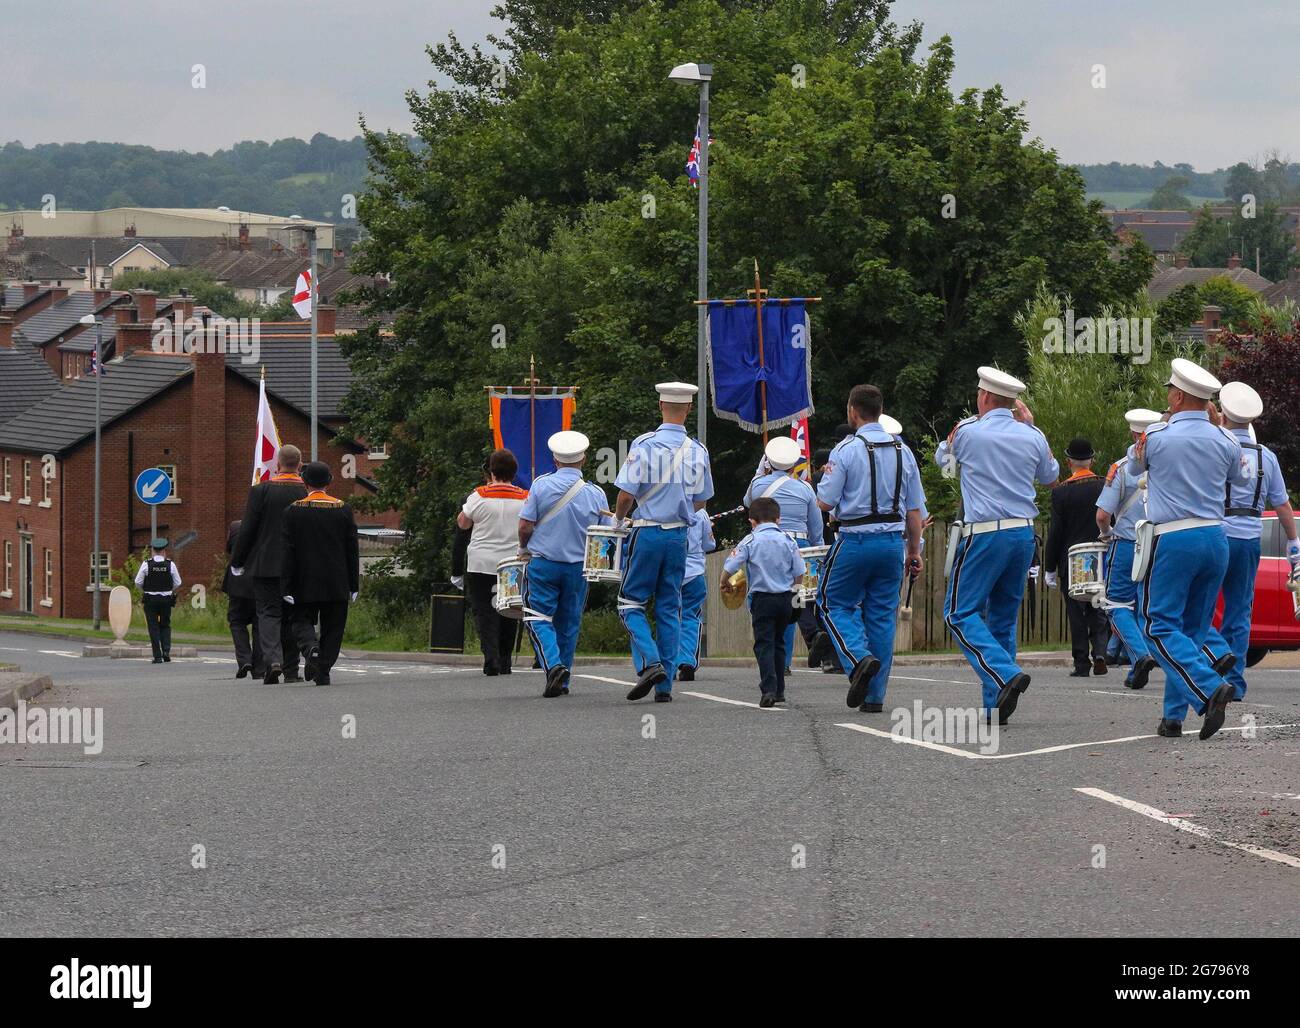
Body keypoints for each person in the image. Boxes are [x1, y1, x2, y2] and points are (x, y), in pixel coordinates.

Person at [1132, 358, 1250, 740]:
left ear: (1179, 395)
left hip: (1175, 537)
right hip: (1217, 537)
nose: (1168, 396)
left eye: (1170, 391)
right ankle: (1172, 717)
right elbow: (1235, 475)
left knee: (1158, 624)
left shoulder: (1157, 436)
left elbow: (1135, 469)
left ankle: (1206, 687)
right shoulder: (1226, 439)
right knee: (1193, 631)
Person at [935, 367, 1059, 723]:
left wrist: (962, 428)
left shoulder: (968, 432)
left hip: (985, 533)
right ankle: (996, 706)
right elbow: (1051, 478)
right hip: (1023, 534)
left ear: (984, 397)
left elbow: (942, 462)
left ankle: (1004, 673)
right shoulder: (1032, 435)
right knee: (1002, 619)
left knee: (958, 612)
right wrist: (1032, 427)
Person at [816, 384, 926, 712]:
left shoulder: (846, 450)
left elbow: (825, 501)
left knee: (831, 602)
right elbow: (915, 511)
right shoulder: (903, 451)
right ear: (880, 410)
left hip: (854, 540)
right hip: (893, 545)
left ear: (853, 411)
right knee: (881, 617)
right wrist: (914, 551)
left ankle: (857, 659)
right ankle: (874, 697)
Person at [1199, 382, 1299, 701]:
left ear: (1223, 414)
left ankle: (1213, 662)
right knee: (1240, 612)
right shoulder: (1265, 457)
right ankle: (1236, 682)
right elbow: (1282, 505)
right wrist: (1294, 544)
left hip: (1215, 535)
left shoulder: (1213, 446)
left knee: (1198, 606)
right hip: (1248, 540)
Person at [615, 381, 714, 703]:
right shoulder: (698, 451)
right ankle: (665, 686)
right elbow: (701, 501)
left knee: (630, 602)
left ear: (660, 406)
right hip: (679, 536)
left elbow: (626, 494)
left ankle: (650, 662)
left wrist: (619, 521)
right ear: (688, 409)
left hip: (647, 531)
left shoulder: (644, 445)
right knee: (671, 608)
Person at [517, 431, 609, 698]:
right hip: (578, 567)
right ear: (583, 460)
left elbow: (525, 526)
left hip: (543, 563)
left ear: (555, 460)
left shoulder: (541, 486)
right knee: (569, 623)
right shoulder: (596, 494)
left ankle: (553, 665)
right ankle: (563, 678)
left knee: (537, 617)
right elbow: (604, 536)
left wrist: (523, 549)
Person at [1095, 409, 1162, 690]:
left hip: (1126, 544)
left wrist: (1106, 534)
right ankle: (1140, 666)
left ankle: (1139, 655)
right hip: (1158, 543)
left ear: (1134, 434)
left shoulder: (1122, 468)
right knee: (1149, 606)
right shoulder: (1165, 466)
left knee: (1117, 605)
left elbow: (1102, 515)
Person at [745, 435, 823, 673]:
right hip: (799, 543)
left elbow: (748, 502)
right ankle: (809, 640)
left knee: (770, 596)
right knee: (796, 598)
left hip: (770, 543)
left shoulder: (759, 485)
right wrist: (816, 548)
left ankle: (782, 660)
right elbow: (815, 524)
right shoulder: (805, 488)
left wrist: (761, 469)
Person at [231, 445, 308, 684]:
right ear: (300, 464)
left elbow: (248, 529)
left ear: (277, 464)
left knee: (268, 614)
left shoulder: (260, 490)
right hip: (297, 566)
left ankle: (272, 660)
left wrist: (238, 561)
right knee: (293, 616)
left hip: (265, 563)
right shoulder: (306, 491)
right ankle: (292, 669)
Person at [280, 462, 360, 686]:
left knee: (300, 620)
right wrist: (353, 584)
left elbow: (287, 551)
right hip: (337, 580)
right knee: (334, 627)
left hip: (304, 580)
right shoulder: (343, 509)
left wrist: (285, 585)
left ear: (304, 483)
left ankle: (310, 648)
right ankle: (323, 670)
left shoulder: (293, 510)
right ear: (329, 481)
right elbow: (352, 550)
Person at [720, 497, 805, 707]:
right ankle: (780, 691)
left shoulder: (750, 541)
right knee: (779, 643)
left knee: (764, 644)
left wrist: (724, 583)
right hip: (786, 599)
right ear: (779, 519)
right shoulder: (788, 540)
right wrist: (796, 593)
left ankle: (768, 689)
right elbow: (800, 572)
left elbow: (731, 565)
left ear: (752, 521)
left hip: (762, 599)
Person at [458, 449, 528, 676]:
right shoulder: (525, 497)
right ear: (514, 472)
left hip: (481, 562)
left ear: (491, 471)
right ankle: (506, 659)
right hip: (512, 563)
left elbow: (463, 524)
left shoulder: (478, 496)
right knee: (509, 609)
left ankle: (491, 657)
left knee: (484, 611)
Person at [1044, 437, 1110, 677]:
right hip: (1098, 555)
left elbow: (1056, 532)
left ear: (1068, 461)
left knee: (1075, 610)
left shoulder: (1061, 492)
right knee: (1098, 606)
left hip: (1071, 558)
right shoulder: (1104, 485)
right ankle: (1101, 651)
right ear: (1092, 459)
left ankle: (1081, 662)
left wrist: (1049, 567)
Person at [675, 506, 715, 682]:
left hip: (670, 572)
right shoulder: (701, 513)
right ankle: (687, 661)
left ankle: (667, 661)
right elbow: (709, 544)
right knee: (690, 617)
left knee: (668, 616)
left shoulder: (663, 505)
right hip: (694, 572)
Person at [222, 519, 262, 679]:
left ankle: (244, 659)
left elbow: (228, 550)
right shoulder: (263, 527)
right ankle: (259, 668)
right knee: (260, 624)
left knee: (237, 621)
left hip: (237, 582)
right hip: (259, 579)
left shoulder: (234, 527)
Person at [134, 537, 180, 664]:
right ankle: (166, 651)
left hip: (150, 599)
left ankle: (157, 656)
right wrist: (168, 589)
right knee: (165, 625)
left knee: (153, 626)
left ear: (153, 551)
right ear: (164, 551)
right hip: (166, 599)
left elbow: (137, 582)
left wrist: (145, 589)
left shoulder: (146, 564)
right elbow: (178, 582)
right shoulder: (170, 564)